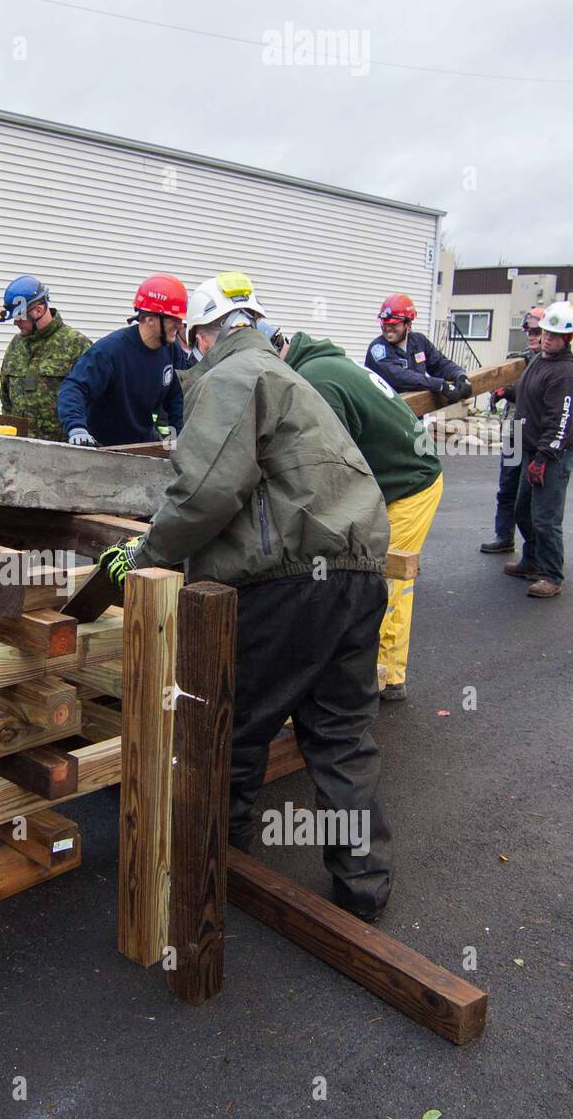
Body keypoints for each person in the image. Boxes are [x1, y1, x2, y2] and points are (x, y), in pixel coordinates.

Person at [96, 285, 394, 920]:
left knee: (228, 729)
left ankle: (213, 869)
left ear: (200, 335)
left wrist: (146, 555)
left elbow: (206, 489)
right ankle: (363, 887)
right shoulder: (289, 376)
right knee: (341, 737)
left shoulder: (234, 374)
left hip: (287, 582)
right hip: (357, 572)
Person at [277, 327, 444, 701]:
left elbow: (333, 461)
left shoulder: (316, 381)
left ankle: (386, 674)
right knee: (366, 575)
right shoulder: (324, 366)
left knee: (386, 579)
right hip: (389, 478)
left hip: (409, 484)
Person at [504, 302, 573, 597]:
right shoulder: (541, 360)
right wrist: (507, 391)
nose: (547, 338)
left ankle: (551, 574)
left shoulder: (566, 374)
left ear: (568, 338)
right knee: (522, 510)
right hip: (530, 450)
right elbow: (528, 392)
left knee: (546, 517)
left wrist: (544, 458)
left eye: (554, 335)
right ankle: (532, 560)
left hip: (552, 455)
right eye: (545, 332)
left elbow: (560, 422)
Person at [56, 274, 186, 446]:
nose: (179, 325)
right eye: (173, 319)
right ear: (150, 319)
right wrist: (77, 428)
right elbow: (74, 388)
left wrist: (178, 440)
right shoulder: (110, 351)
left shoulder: (172, 351)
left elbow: (177, 399)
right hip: (103, 450)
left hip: (142, 447)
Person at [480, 304, 545, 554]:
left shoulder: (548, 364)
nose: (532, 335)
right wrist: (498, 391)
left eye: (537, 331)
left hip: (538, 438)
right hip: (514, 432)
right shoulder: (517, 361)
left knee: (531, 496)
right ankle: (504, 536)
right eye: (529, 330)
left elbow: (535, 395)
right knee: (507, 486)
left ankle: (536, 551)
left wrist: (508, 391)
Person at [0, 276, 91, 441]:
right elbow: (5, 396)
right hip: (21, 448)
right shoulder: (16, 345)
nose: (15, 323)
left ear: (38, 311)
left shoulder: (77, 345)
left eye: (19, 317)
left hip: (63, 451)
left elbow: (95, 400)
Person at [365, 293, 471, 405]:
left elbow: (439, 364)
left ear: (408, 324)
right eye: (384, 324)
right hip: (384, 413)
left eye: (394, 325)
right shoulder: (378, 349)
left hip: (414, 411)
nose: (387, 329)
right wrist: (440, 385)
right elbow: (400, 377)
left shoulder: (418, 341)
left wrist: (460, 375)